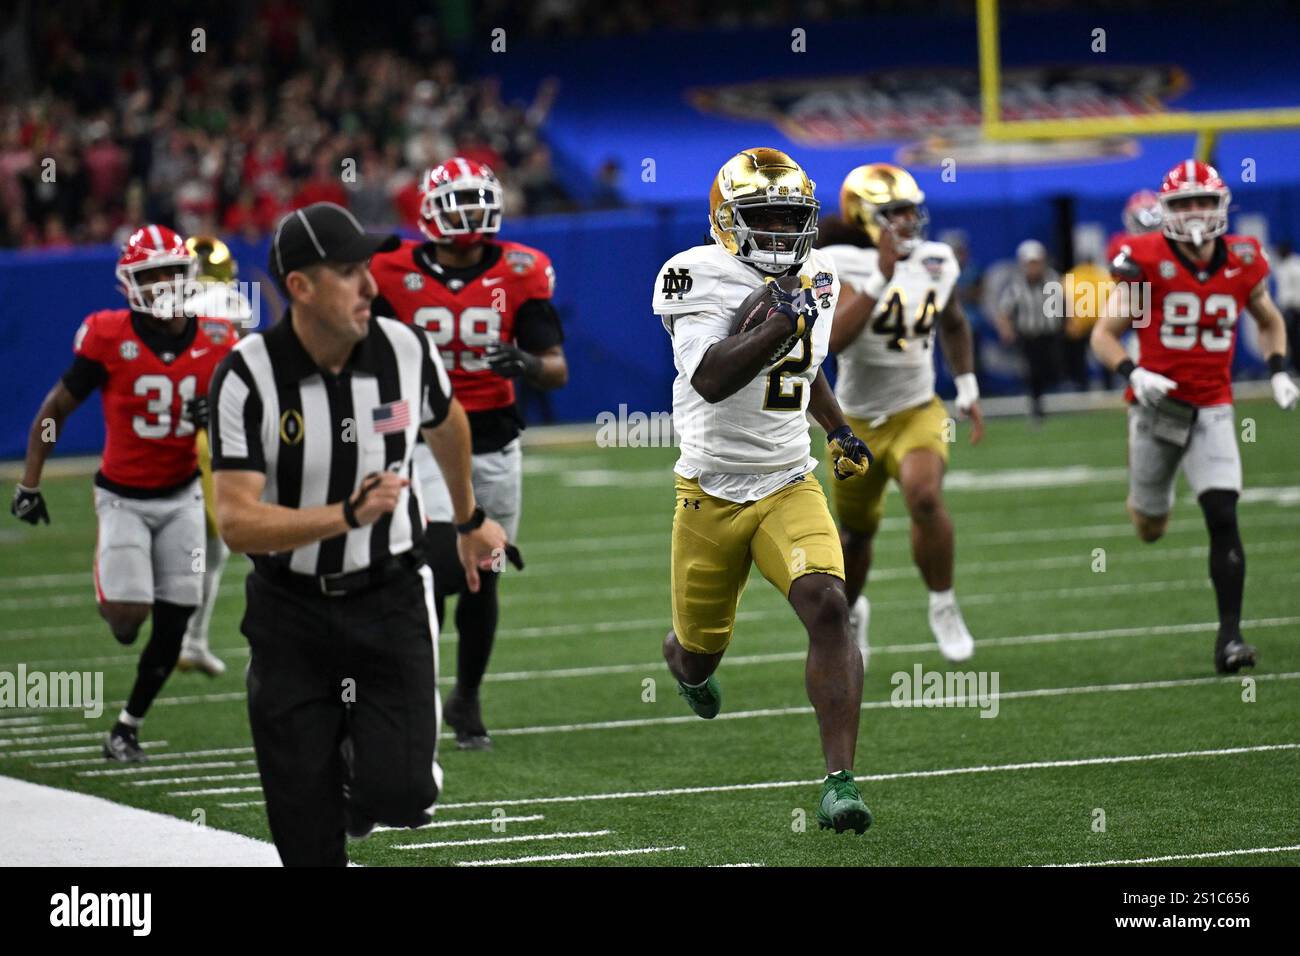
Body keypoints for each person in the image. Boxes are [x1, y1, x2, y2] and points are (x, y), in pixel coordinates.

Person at [208, 202, 506, 867]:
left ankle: (355, 761)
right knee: (307, 839)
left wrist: (466, 518)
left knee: (402, 797)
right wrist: (344, 515)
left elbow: (447, 421)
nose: (371, 286)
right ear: (301, 287)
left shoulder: (404, 348)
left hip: (390, 595)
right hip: (289, 608)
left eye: (367, 267)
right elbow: (235, 521)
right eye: (348, 271)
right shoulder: (247, 375)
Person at [651, 147, 874, 834]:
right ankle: (684, 664)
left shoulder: (819, 276)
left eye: (791, 218)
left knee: (829, 604)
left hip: (787, 480)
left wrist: (836, 429)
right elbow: (712, 377)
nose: (780, 233)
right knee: (699, 650)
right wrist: (779, 316)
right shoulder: (695, 274)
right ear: (727, 219)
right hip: (709, 492)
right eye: (764, 217)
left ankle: (840, 781)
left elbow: (803, 372)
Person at [10, 225, 237, 760]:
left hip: (183, 495)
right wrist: (30, 480)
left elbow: (254, 416)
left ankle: (127, 726)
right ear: (127, 285)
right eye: (149, 276)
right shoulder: (108, 335)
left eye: (170, 274)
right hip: (123, 496)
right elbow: (56, 409)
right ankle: (119, 592)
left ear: (189, 277)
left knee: (178, 615)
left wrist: (222, 416)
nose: (161, 286)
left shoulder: (219, 338)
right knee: (128, 621)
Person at [370, 158, 566, 750]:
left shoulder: (522, 269)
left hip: (495, 438)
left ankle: (468, 697)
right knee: (436, 563)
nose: (469, 214)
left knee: (489, 570)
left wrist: (527, 364)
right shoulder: (389, 268)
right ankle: (414, 696)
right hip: (422, 436)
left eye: (477, 201)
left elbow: (555, 369)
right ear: (430, 210)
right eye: (456, 202)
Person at [1090, 160, 1298, 674]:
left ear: (1222, 205)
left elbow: (1268, 320)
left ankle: (1230, 638)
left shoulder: (1244, 259)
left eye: (1203, 200)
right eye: (1183, 203)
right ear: (1165, 212)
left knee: (1223, 515)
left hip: (1213, 405)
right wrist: (1133, 373)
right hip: (1156, 407)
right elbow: (1103, 334)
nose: (1195, 212)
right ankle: (1146, 497)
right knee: (1150, 526)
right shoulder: (1144, 259)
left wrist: (1277, 370)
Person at [822, 162, 984, 665]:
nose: (909, 220)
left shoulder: (937, 260)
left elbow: (954, 323)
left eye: (912, 209)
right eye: (894, 212)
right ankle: (852, 613)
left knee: (924, 495)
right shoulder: (836, 261)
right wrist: (881, 277)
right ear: (866, 216)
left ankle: (942, 602)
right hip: (853, 421)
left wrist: (967, 385)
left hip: (917, 407)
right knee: (855, 532)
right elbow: (834, 342)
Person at [174, 234, 256, 677]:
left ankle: (193, 638)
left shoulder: (169, 303)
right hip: (215, 431)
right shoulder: (233, 302)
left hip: (169, 429)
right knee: (227, 536)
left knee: (204, 539)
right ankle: (191, 636)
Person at [995, 239, 1063, 422]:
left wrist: (1070, 323)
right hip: (1029, 335)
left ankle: (1053, 402)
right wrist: (1006, 329)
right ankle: (1036, 406)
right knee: (1032, 372)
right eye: (1030, 263)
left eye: (1036, 262)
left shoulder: (1053, 279)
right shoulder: (1016, 285)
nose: (1034, 267)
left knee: (1053, 369)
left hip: (1051, 334)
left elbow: (1067, 305)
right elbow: (1004, 310)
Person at [1273, 240, 1300, 372]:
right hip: (1287, 309)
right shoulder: (1282, 266)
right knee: (1288, 340)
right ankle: (1294, 366)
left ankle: (1297, 366)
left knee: (1295, 340)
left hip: (1295, 308)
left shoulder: (1295, 265)